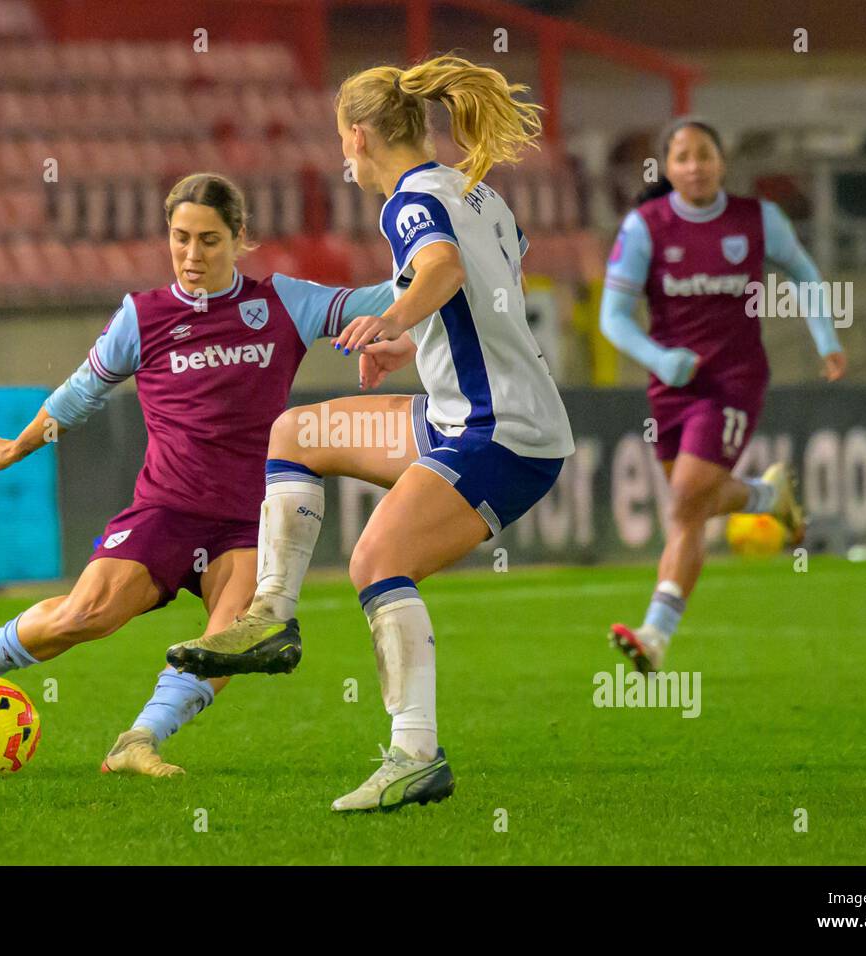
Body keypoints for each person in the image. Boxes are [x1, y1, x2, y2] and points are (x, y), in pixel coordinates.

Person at [0, 172, 394, 776]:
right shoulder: (143, 317)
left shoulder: (284, 304)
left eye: (208, 240)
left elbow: (379, 301)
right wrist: (18, 445)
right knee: (83, 615)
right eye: (180, 239)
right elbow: (81, 393)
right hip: (167, 509)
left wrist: (446, 268)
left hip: (250, 519)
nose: (191, 256)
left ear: (239, 239)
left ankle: (138, 741)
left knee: (234, 632)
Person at [164, 56, 574, 813]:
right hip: (466, 415)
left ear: (358, 136)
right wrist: (413, 343)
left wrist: (392, 317)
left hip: (502, 435)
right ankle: (270, 621)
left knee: (377, 560)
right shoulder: (475, 192)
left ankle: (415, 755)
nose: (343, 159)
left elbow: (445, 271)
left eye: (340, 142)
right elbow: (493, 300)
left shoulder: (409, 204)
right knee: (297, 431)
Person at [600, 118, 846, 673]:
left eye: (705, 154)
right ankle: (766, 498)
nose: (695, 166)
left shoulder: (756, 219)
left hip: (733, 382)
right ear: (668, 167)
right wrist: (660, 359)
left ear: (722, 161)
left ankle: (655, 636)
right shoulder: (645, 227)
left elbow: (805, 274)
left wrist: (826, 338)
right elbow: (611, 318)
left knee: (686, 500)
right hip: (671, 387)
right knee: (694, 501)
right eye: (683, 157)